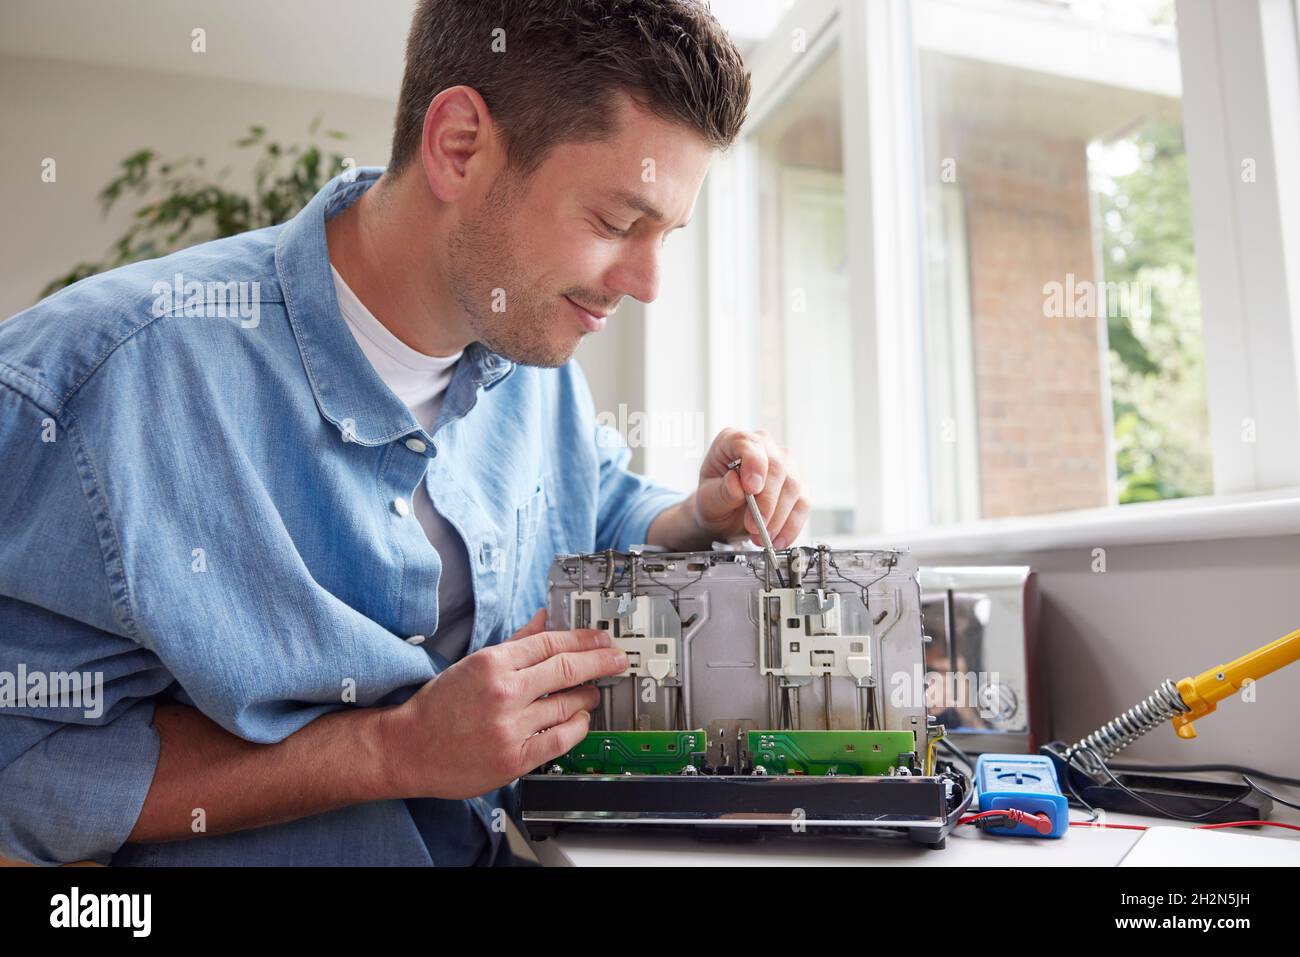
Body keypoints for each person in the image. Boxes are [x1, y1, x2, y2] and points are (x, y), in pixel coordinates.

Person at [0, 0, 810, 865]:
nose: (648, 283)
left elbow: (594, 502)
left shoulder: (531, 357)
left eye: (666, 237)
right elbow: (23, 764)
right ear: (459, 145)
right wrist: (395, 749)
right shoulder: (91, 387)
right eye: (616, 223)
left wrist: (699, 514)